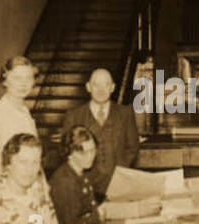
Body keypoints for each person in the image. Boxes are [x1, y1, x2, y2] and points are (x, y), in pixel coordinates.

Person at [59, 67, 139, 198]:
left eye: (105, 84)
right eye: (96, 85)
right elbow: (67, 151)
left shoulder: (126, 113)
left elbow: (132, 147)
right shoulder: (73, 115)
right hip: (84, 187)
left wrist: (119, 174)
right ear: (88, 87)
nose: (101, 90)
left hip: (119, 186)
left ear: (112, 87)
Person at [0, 56, 38, 196]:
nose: (23, 84)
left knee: (37, 218)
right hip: (5, 194)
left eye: (28, 78)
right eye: (17, 78)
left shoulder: (25, 112)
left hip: (29, 191)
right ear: (5, 80)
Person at [49, 125, 104, 224]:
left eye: (93, 150)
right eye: (84, 153)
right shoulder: (64, 182)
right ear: (69, 153)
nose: (90, 157)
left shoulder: (80, 173)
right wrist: (99, 214)